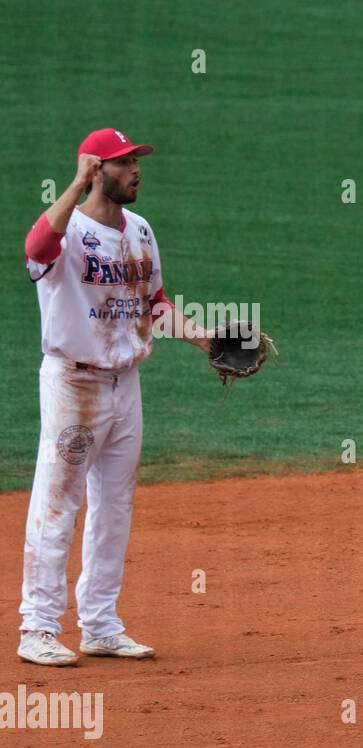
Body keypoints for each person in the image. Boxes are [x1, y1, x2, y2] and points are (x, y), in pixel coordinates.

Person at [18, 128, 211, 667]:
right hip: (74, 385)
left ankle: (100, 624)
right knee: (58, 502)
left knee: (115, 506)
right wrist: (75, 184)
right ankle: (37, 627)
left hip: (126, 386)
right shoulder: (68, 229)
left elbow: (154, 303)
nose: (135, 170)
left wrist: (204, 338)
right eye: (123, 162)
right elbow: (34, 250)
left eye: (135, 161)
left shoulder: (141, 231)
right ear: (96, 170)